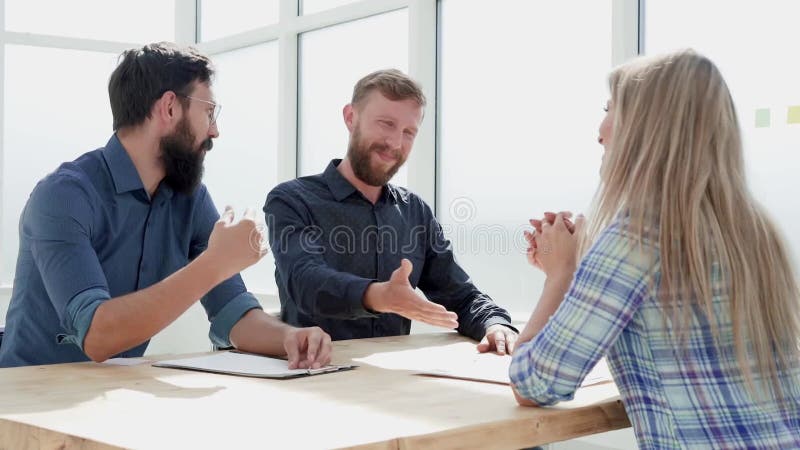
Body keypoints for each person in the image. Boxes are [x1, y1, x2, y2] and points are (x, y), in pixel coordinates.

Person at [510, 49, 800, 448]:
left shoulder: (636, 239)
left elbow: (534, 383)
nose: (600, 129)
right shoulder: (757, 232)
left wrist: (563, 274)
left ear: (645, 127)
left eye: (611, 108)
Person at [0, 42, 331, 369]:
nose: (214, 130)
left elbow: (234, 314)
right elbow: (97, 336)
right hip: (22, 401)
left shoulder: (191, 199)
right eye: (208, 111)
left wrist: (291, 338)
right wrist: (216, 262)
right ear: (169, 108)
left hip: (112, 395)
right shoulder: (63, 196)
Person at [265, 69, 517, 353]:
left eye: (409, 132)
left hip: (391, 383)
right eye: (386, 124)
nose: (396, 143)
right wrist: (380, 296)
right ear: (351, 117)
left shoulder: (415, 211)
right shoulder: (291, 200)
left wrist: (495, 325)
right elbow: (305, 282)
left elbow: (460, 296)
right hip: (314, 373)